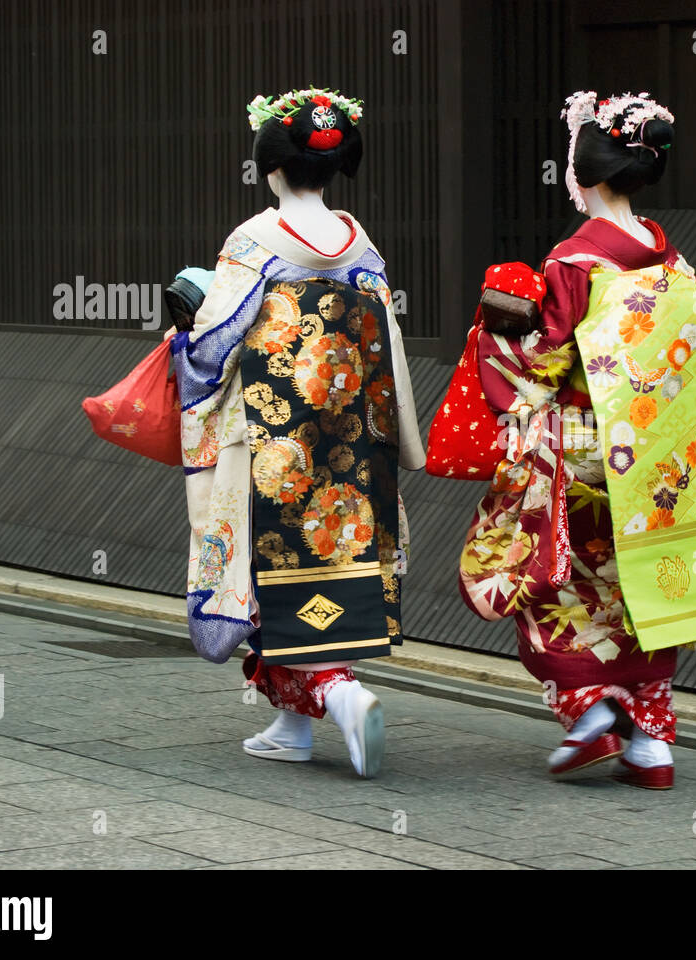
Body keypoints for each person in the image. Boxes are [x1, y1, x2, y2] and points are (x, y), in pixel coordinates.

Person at [458, 91, 696, 790]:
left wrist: (494, 336)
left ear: (584, 171)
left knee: (551, 582)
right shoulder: (672, 262)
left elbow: (544, 365)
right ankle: (653, 745)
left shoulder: (576, 261)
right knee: (644, 588)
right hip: (663, 456)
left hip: (584, 451)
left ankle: (591, 714)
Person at [169, 88, 424, 779]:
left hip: (272, 441)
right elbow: (388, 343)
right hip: (347, 445)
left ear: (271, 170)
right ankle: (291, 727)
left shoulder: (255, 242)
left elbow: (216, 341)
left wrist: (181, 352)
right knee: (325, 567)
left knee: (260, 575)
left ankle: (340, 696)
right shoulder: (359, 244)